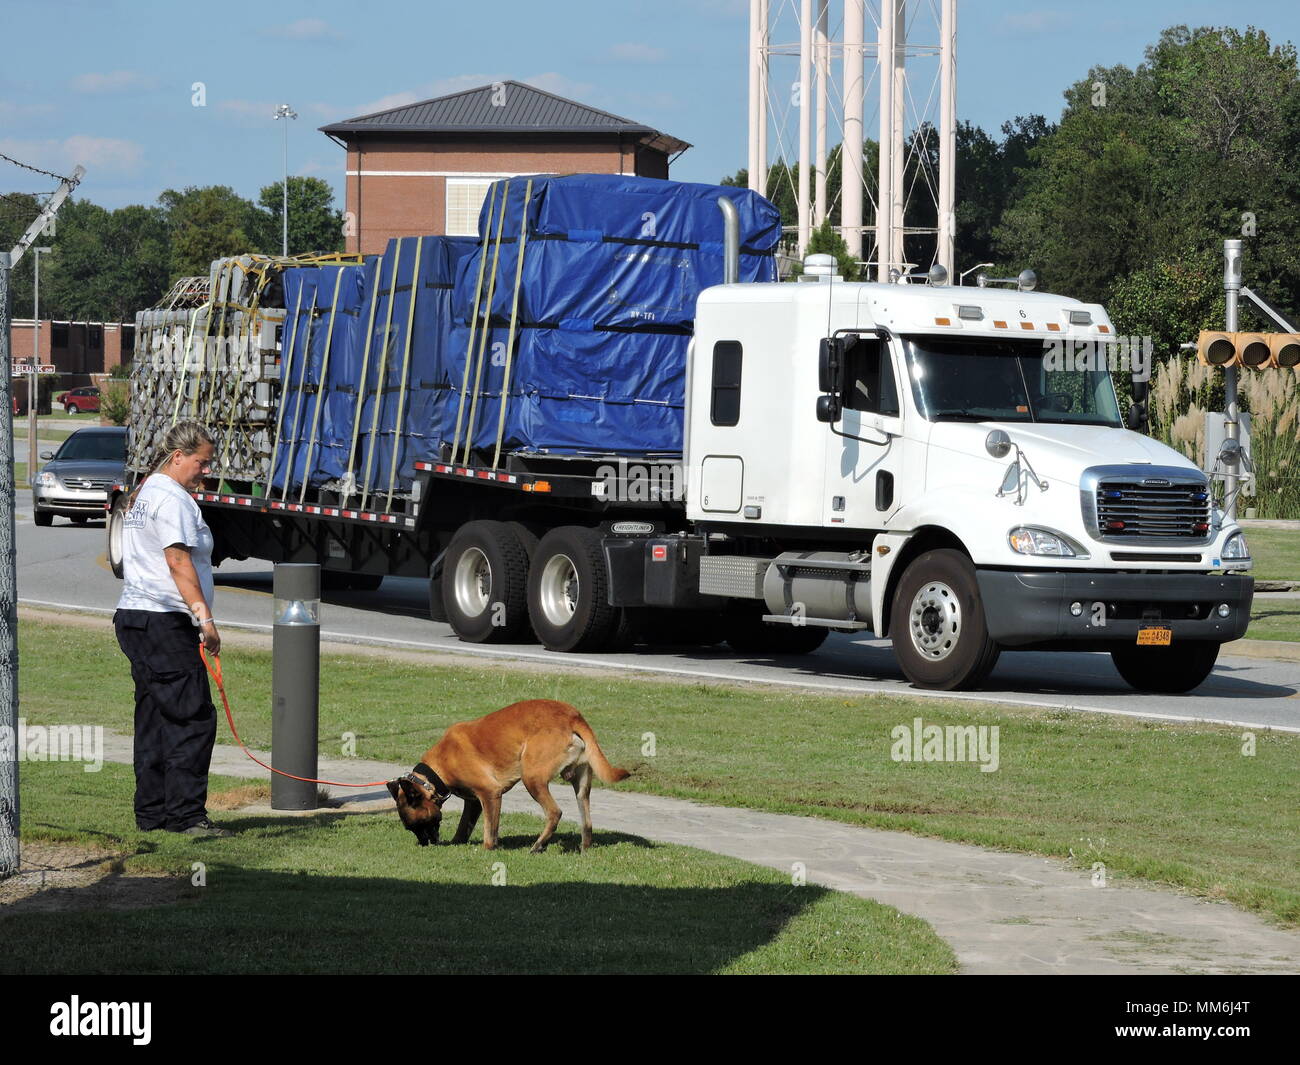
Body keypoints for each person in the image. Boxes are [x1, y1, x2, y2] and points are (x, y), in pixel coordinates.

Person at [113, 420, 231, 837]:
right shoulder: (174, 499)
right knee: (191, 719)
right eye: (201, 462)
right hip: (164, 621)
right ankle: (186, 817)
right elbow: (178, 562)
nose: (206, 471)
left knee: (155, 718)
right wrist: (206, 619)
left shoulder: (145, 490)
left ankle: (153, 814)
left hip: (135, 618)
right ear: (178, 457)